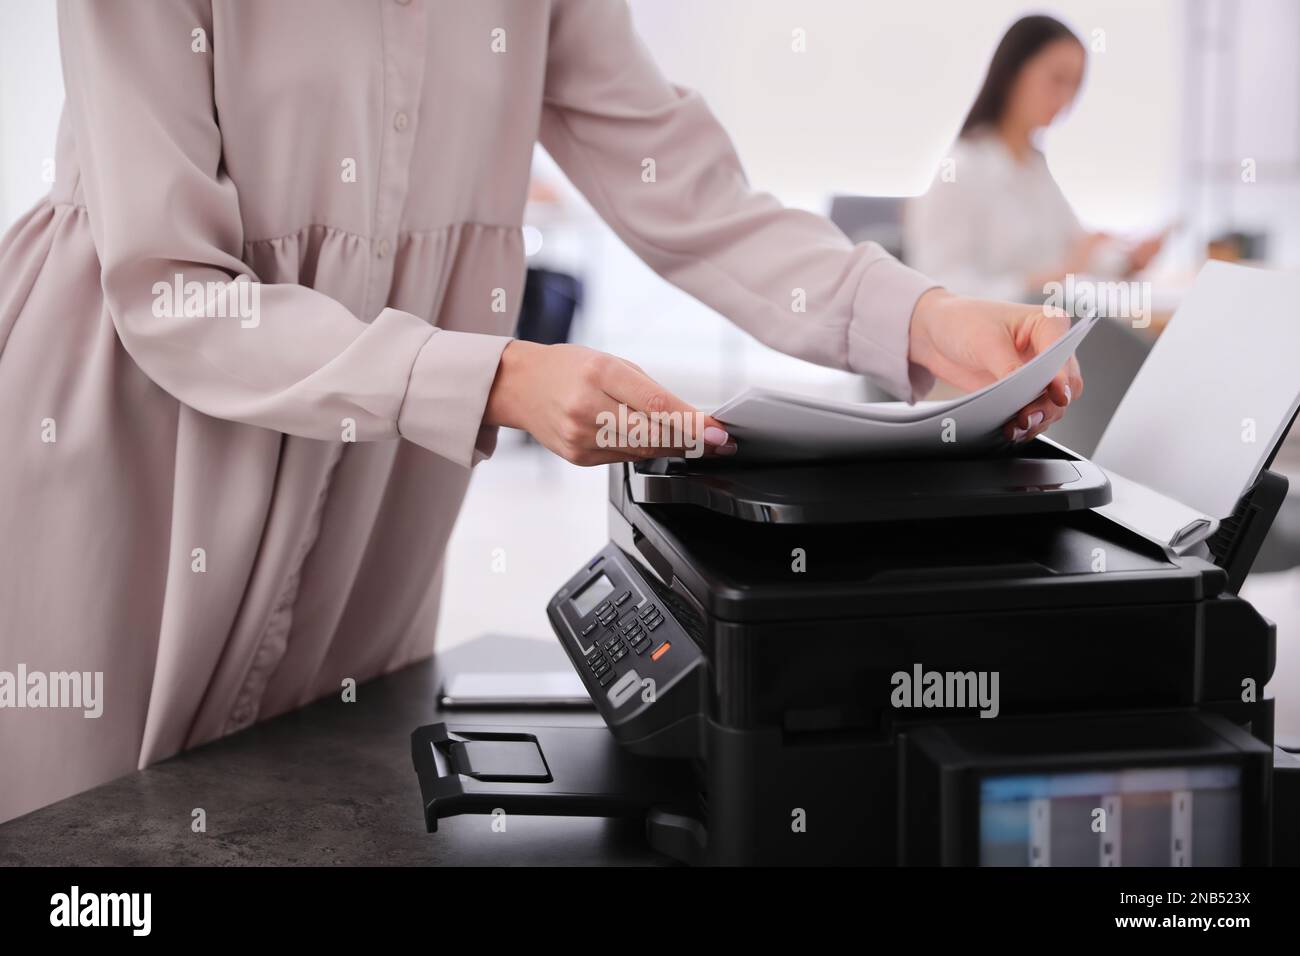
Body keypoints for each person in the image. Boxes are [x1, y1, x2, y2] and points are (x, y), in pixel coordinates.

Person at [0, 0, 1080, 823]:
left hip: (377, 486)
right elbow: (166, 286)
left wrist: (927, 319)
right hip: (126, 437)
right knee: (76, 849)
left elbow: (684, 193)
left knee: (309, 813)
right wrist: (497, 377)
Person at [905, 14, 1165, 301]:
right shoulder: (960, 171)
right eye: (1057, 79)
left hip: (1052, 320)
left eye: (1075, 85)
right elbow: (939, 290)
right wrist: (1045, 279)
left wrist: (1128, 261)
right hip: (1001, 333)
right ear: (1013, 73)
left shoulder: (1035, 167)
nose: (1066, 98)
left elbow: (1074, 247)